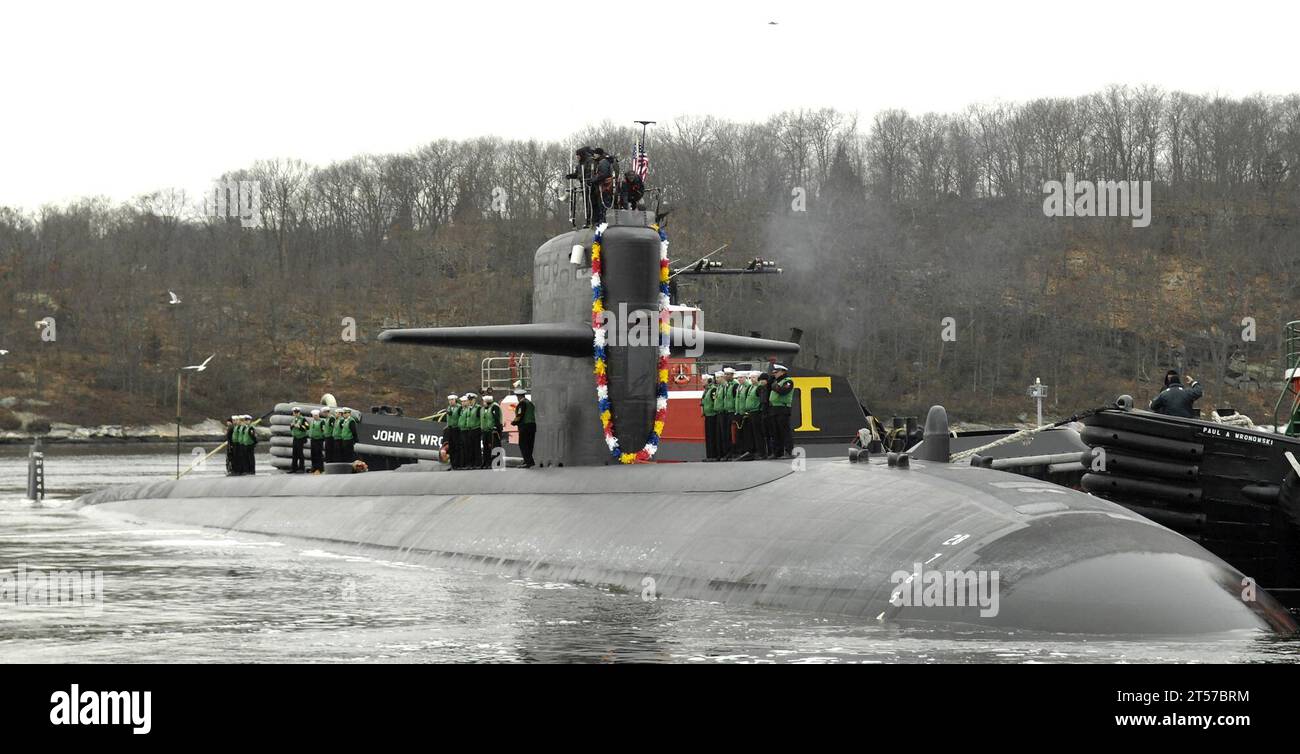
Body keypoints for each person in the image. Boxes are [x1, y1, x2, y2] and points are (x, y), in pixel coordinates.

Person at [768, 364, 795, 458]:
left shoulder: (788, 381)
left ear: (782, 372)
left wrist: (774, 386)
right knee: (775, 432)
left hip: (783, 408)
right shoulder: (776, 381)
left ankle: (789, 451)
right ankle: (777, 452)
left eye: (776, 372)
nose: (774, 374)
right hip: (774, 408)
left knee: (784, 431)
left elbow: (783, 391)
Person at [511, 384, 537, 468]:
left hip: (525, 426)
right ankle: (527, 461)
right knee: (529, 444)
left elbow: (519, 415)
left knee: (523, 444)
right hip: (532, 426)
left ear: (518, 396)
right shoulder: (530, 403)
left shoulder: (522, 403)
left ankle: (529, 462)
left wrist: (514, 422)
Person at [587, 148, 614, 226]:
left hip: (604, 188)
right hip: (603, 188)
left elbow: (603, 174)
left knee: (603, 205)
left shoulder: (603, 162)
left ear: (598, 154)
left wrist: (592, 180)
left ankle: (603, 221)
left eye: (595, 154)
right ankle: (602, 220)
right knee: (602, 204)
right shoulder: (604, 161)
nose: (593, 156)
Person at [480, 393, 504, 468]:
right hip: (486, 430)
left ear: (488, 402)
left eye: (484, 402)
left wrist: (495, 427)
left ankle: (497, 462)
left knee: (495, 446)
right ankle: (487, 462)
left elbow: (497, 418)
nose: (483, 403)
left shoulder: (494, 407)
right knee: (486, 447)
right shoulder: (484, 409)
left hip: (494, 430)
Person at [459, 393, 481, 469]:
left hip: (476, 429)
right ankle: (471, 464)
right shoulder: (469, 408)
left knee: (476, 447)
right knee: (470, 448)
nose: (470, 401)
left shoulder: (478, 408)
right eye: (469, 400)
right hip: (469, 430)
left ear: (474, 400)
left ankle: (477, 463)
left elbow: (480, 419)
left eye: (471, 400)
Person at [437, 395, 460, 468]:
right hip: (450, 429)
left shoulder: (459, 407)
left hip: (457, 428)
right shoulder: (449, 407)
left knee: (457, 447)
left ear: (455, 400)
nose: (450, 401)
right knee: (452, 447)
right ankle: (452, 463)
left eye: (452, 400)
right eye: (449, 400)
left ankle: (457, 463)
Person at [701, 374, 719, 461]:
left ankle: (713, 455)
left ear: (709, 381)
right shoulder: (707, 390)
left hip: (712, 415)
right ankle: (709, 455)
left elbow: (714, 401)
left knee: (712, 436)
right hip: (707, 415)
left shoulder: (713, 390)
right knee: (708, 436)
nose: (702, 382)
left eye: (704, 380)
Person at [289, 407, 309, 473]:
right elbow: (292, 428)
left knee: (300, 453)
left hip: (300, 438)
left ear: (299, 413)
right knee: (294, 453)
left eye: (296, 412)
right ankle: (293, 468)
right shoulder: (294, 419)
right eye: (294, 412)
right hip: (295, 437)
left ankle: (301, 468)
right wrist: (292, 426)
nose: (295, 414)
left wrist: (299, 426)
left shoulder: (303, 419)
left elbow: (307, 427)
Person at [307, 408, 326, 473]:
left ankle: (320, 468)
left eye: (316, 415)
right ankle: (314, 467)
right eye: (313, 415)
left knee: (319, 454)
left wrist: (322, 438)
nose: (314, 417)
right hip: (313, 439)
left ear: (318, 415)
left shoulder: (322, 422)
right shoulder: (312, 422)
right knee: (313, 454)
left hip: (319, 440)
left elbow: (324, 431)